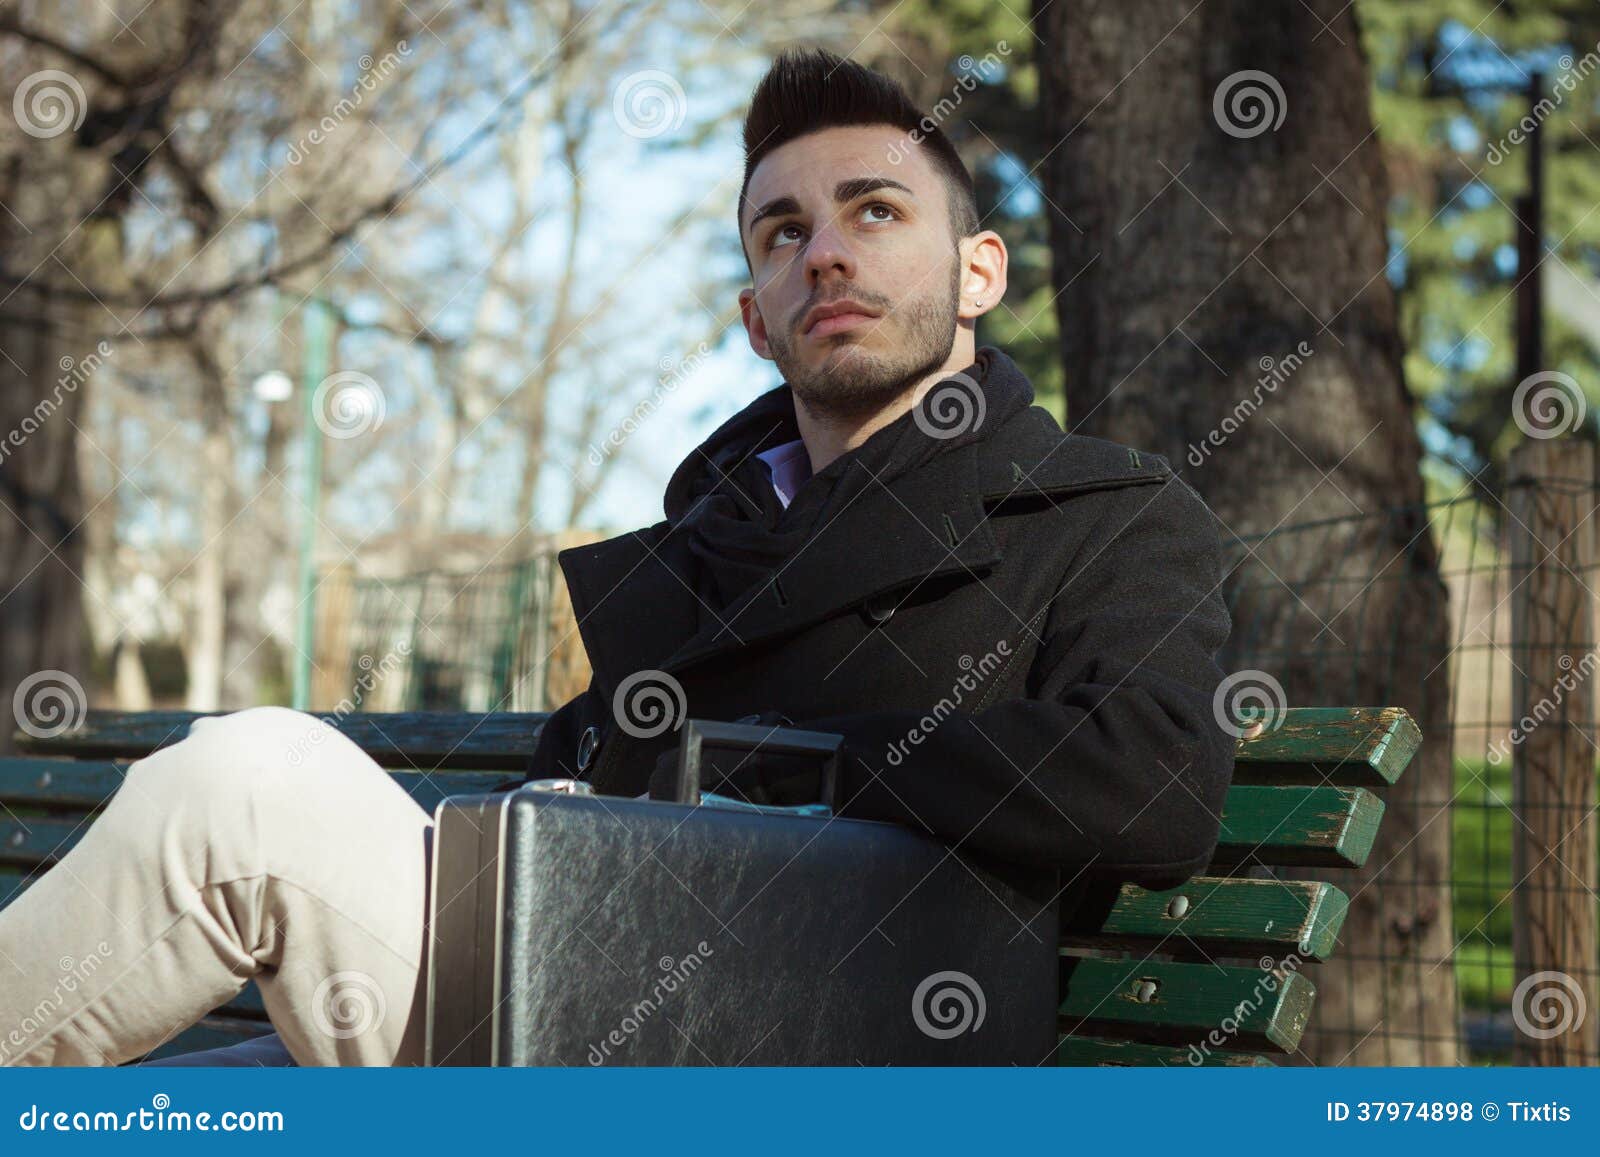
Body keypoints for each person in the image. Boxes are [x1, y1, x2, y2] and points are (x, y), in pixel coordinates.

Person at [0, 45, 1233, 1068]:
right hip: (584, 985)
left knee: (253, 786)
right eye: (781, 233)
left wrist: (779, 769)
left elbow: (1156, 780)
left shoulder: (1101, 515)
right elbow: (586, 788)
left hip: (821, 1039)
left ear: (977, 274)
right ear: (757, 315)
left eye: (876, 210)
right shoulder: (713, 537)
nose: (827, 254)